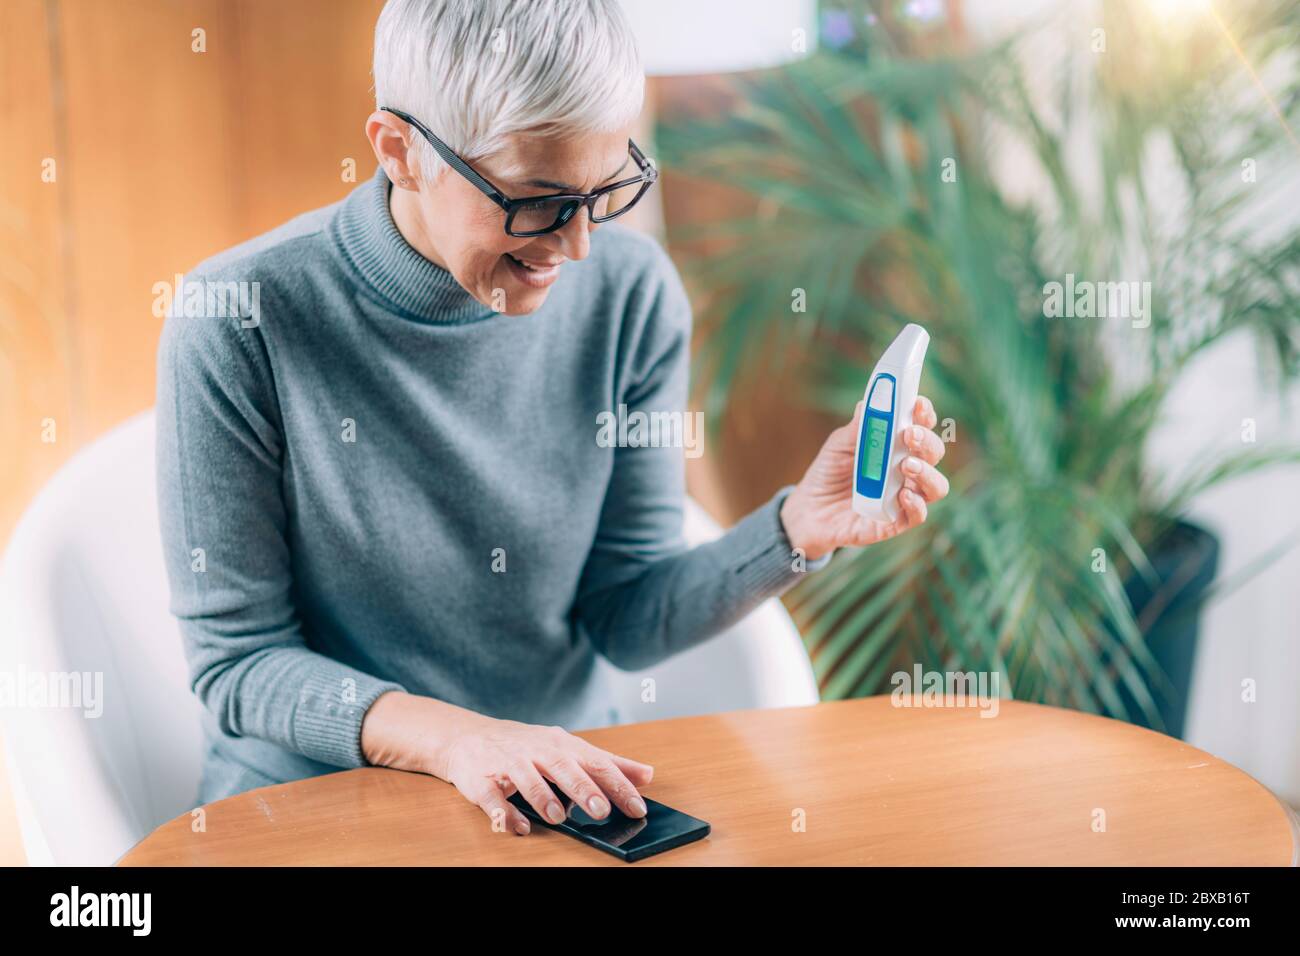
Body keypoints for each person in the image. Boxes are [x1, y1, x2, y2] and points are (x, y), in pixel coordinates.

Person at [155, 0, 949, 836]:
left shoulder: (631, 297)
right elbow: (238, 667)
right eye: (536, 202)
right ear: (399, 151)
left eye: (605, 192)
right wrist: (458, 741)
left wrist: (796, 527)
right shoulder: (238, 316)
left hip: (552, 803)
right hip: (312, 810)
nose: (575, 250)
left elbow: (625, 616)